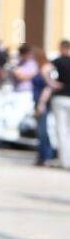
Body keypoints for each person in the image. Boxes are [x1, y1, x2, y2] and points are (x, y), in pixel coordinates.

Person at [32, 48, 55, 166]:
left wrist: (41, 103)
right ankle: (42, 155)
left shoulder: (46, 68)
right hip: (38, 101)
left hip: (42, 102)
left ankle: (46, 156)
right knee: (40, 130)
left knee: (43, 130)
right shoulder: (40, 68)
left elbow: (48, 87)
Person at [50, 39, 70, 169]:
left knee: (62, 130)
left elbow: (46, 71)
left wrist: (52, 83)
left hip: (60, 97)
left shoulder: (57, 61)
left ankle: (65, 161)